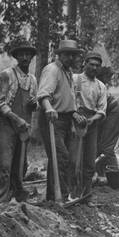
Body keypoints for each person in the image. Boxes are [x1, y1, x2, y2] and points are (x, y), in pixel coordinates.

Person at [0, 38, 38, 203]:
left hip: (23, 127)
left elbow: (33, 103)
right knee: (4, 165)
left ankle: (17, 198)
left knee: (21, 166)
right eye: (21, 54)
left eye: (28, 54)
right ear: (16, 57)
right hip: (7, 126)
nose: (25, 57)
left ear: (32, 57)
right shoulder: (6, 75)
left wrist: (35, 104)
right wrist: (16, 119)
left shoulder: (32, 79)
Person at [37, 38, 82, 201]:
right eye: (68, 55)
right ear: (60, 55)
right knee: (61, 157)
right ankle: (60, 197)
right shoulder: (52, 70)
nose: (71, 58)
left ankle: (53, 197)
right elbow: (43, 94)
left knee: (62, 158)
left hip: (66, 119)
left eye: (73, 55)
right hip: (52, 119)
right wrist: (49, 107)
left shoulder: (68, 72)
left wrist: (74, 114)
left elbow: (68, 97)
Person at [73, 51, 108, 194]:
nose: (94, 68)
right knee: (74, 160)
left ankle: (86, 193)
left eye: (97, 66)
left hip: (92, 123)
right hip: (74, 122)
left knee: (89, 160)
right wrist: (75, 114)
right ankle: (72, 192)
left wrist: (92, 120)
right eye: (91, 64)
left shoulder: (101, 86)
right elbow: (69, 100)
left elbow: (102, 110)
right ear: (85, 64)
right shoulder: (75, 79)